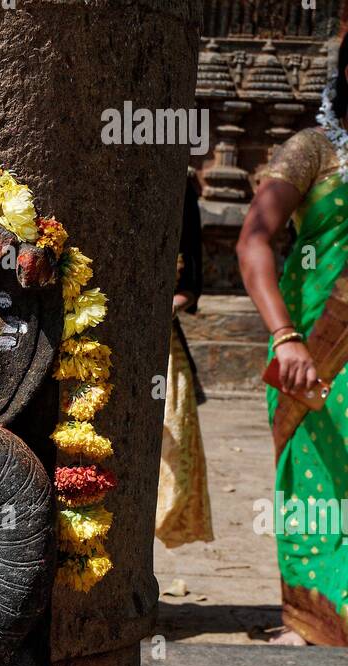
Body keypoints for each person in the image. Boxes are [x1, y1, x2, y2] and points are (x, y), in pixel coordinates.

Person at [237, 33, 348, 646]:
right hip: (316, 348)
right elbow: (253, 240)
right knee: (315, 482)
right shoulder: (314, 152)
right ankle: (312, 619)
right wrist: (285, 337)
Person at [156, 173, 214, 548]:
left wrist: (162, 312)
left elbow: (190, 284)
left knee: (171, 456)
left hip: (162, 339)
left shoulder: (181, 189)